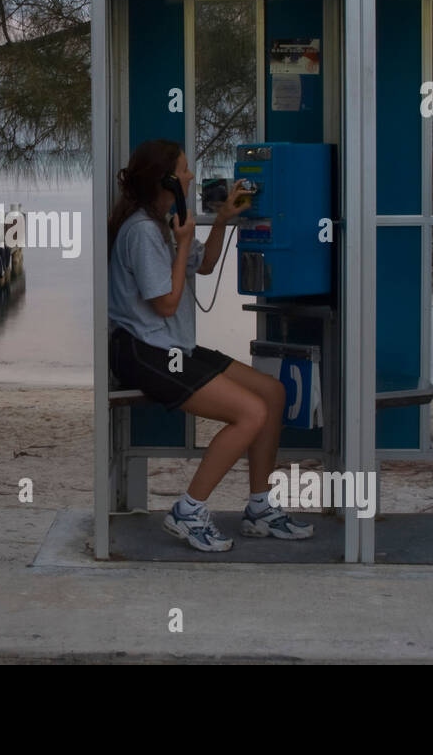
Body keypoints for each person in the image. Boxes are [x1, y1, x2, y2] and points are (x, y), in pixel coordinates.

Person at [107, 138, 314, 552]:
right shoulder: (145, 232)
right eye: (184, 170)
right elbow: (165, 303)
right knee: (250, 413)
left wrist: (220, 221)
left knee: (271, 393)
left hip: (174, 347)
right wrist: (182, 243)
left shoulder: (165, 222)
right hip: (145, 351)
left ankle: (259, 508)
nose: (190, 176)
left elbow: (205, 264)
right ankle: (189, 510)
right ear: (166, 179)